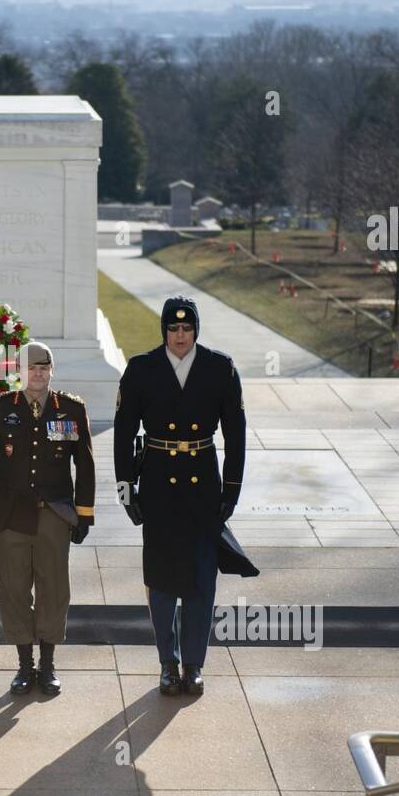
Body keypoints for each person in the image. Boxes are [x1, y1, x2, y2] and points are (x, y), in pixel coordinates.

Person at [112, 296, 246, 696]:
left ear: (196, 330)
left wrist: (231, 489)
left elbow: (236, 434)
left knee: (202, 579)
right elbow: (122, 431)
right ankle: (167, 663)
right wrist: (125, 486)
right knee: (163, 579)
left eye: (187, 329)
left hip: (203, 485)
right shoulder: (141, 369)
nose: (180, 336)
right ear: (164, 331)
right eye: (173, 329)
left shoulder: (220, 368)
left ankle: (194, 663)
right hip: (158, 484)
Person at [0, 341, 95, 697]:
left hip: (54, 515)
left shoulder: (70, 409)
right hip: (11, 516)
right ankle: (25, 666)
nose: (37, 373)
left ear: (51, 370)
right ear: (20, 371)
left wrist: (83, 514)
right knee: (13, 589)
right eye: (31, 367)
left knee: (53, 590)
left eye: (44, 367)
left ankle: (48, 664)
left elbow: (84, 465)